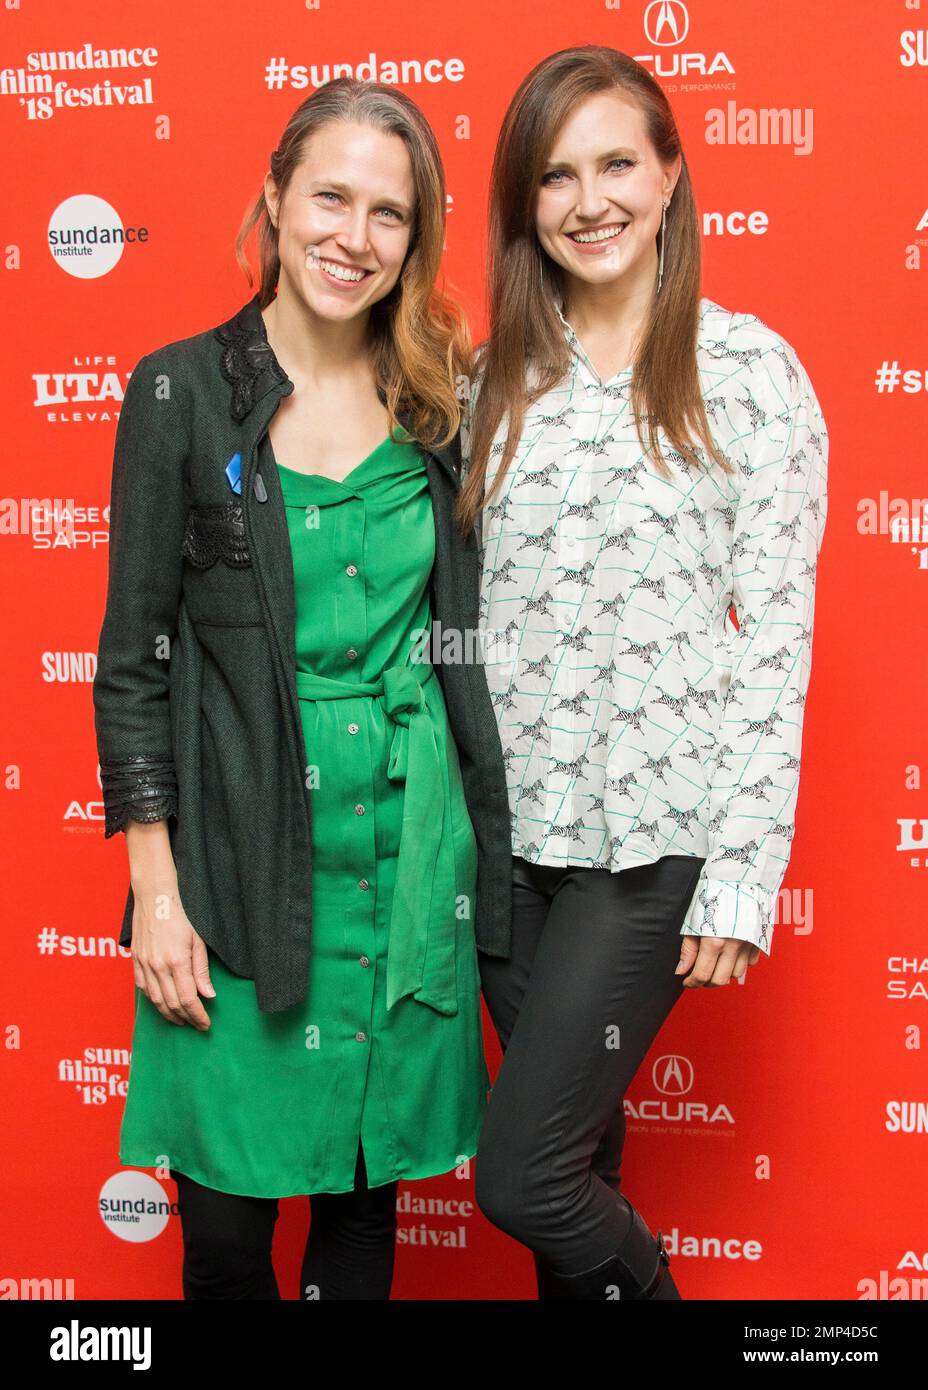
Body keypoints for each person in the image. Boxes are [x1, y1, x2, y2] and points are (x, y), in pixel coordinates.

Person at [92, 76, 511, 1301]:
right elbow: (130, 664)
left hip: (401, 858)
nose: (355, 237)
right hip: (236, 856)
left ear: (415, 237)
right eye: (329, 196)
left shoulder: (441, 398)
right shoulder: (176, 392)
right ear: (274, 198)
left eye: (390, 214)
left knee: (358, 1214)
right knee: (225, 1238)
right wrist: (154, 895)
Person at [458, 46, 828, 1300]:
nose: (589, 199)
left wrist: (742, 872)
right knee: (583, 1147)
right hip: (498, 846)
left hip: (649, 843)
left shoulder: (753, 377)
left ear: (670, 176)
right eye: (555, 175)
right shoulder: (484, 384)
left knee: (526, 1179)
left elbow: (774, 640)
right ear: (526, 205)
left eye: (618, 162)